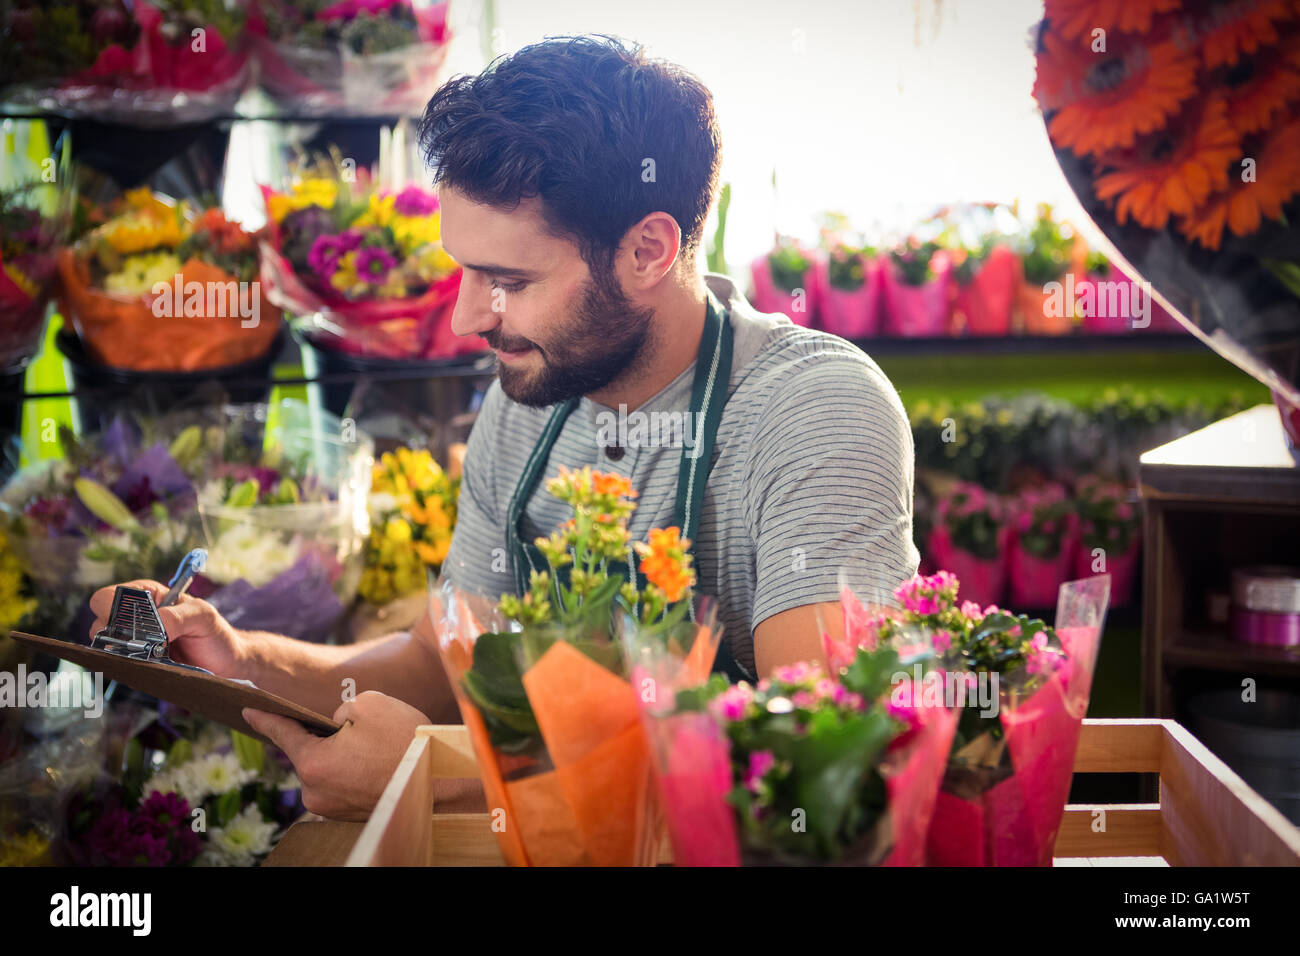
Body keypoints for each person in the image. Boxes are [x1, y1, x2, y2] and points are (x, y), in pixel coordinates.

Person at [89, 35, 918, 821]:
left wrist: (444, 776)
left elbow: (819, 766)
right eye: (463, 271)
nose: (463, 318)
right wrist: (243, 661)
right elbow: (441, 667)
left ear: (649, 250)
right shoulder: (532, 401)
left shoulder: (811, 411)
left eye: (507, 279)